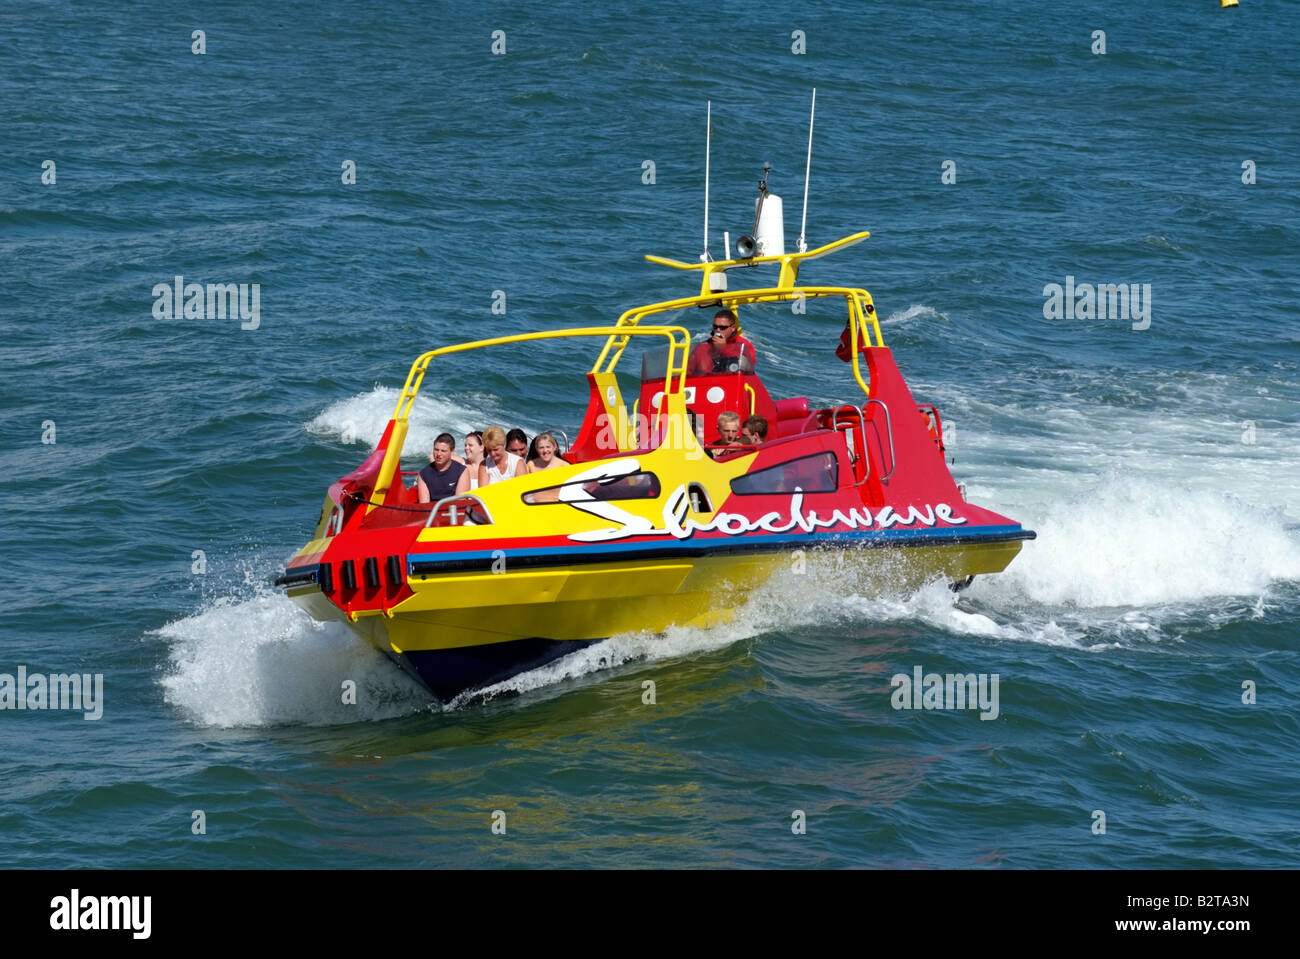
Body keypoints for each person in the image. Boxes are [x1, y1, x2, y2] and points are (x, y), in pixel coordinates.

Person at [687, 308, 756, 375]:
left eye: (722, 327)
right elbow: (688, 372)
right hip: (705, 384)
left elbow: (748, 371)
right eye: (715, 327)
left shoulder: (744, 345)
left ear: (733, 328)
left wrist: (724, 349)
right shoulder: (702, 347)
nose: (718, 330)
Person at [417, 433, 467, 503]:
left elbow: (460, 502)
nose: (438, 454)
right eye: (436, 450)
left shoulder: (462, 471)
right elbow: (424, 504)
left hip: (454, 511)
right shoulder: (423, 474)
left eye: (443, 451)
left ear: (452, 452)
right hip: (432, 511)